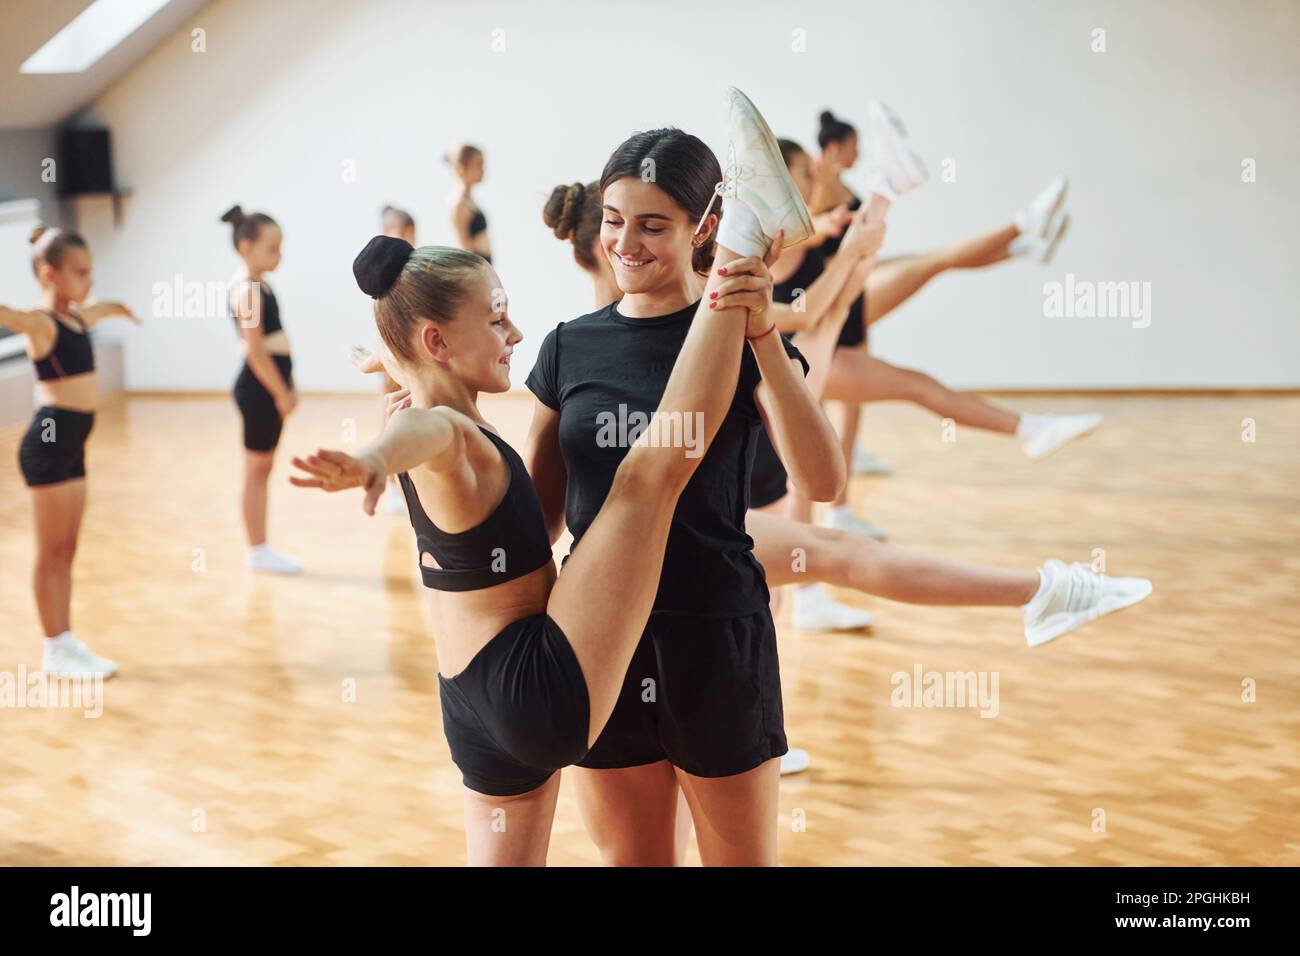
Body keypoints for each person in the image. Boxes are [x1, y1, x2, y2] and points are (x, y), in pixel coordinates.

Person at [1, 226, 139, 676]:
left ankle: (65, 641)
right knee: (51, 551)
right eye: (80, 273)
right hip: (49, 443)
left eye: (91, 273)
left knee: (67, 549)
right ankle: (53, 648)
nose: (89, 282)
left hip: (74, 444)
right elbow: (10, 314)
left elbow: (101, 307)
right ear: (50, 275)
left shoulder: (78, 318)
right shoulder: (40, 324)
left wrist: (122, 310)